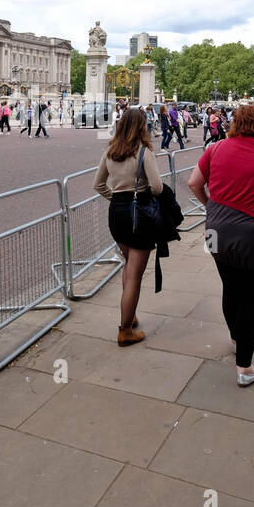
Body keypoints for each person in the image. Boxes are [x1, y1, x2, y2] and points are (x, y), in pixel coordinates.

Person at [188, 105, 254, 386]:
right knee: (251, 298)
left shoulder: (216, 149)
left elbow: (193, 184)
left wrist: (211, 206)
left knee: (230, 287)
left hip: (216, 232)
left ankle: (237, 336)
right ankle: (245, 368)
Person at [93, 109, 167, 346]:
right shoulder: (144, 152)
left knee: (129, 265)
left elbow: (98, 184)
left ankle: (130, 313)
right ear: (142, 127)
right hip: (140, 212)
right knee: (135, 272)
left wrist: (116, 198)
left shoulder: (110, 151)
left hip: (117, 211)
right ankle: (125, 330)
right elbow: (156, 187)